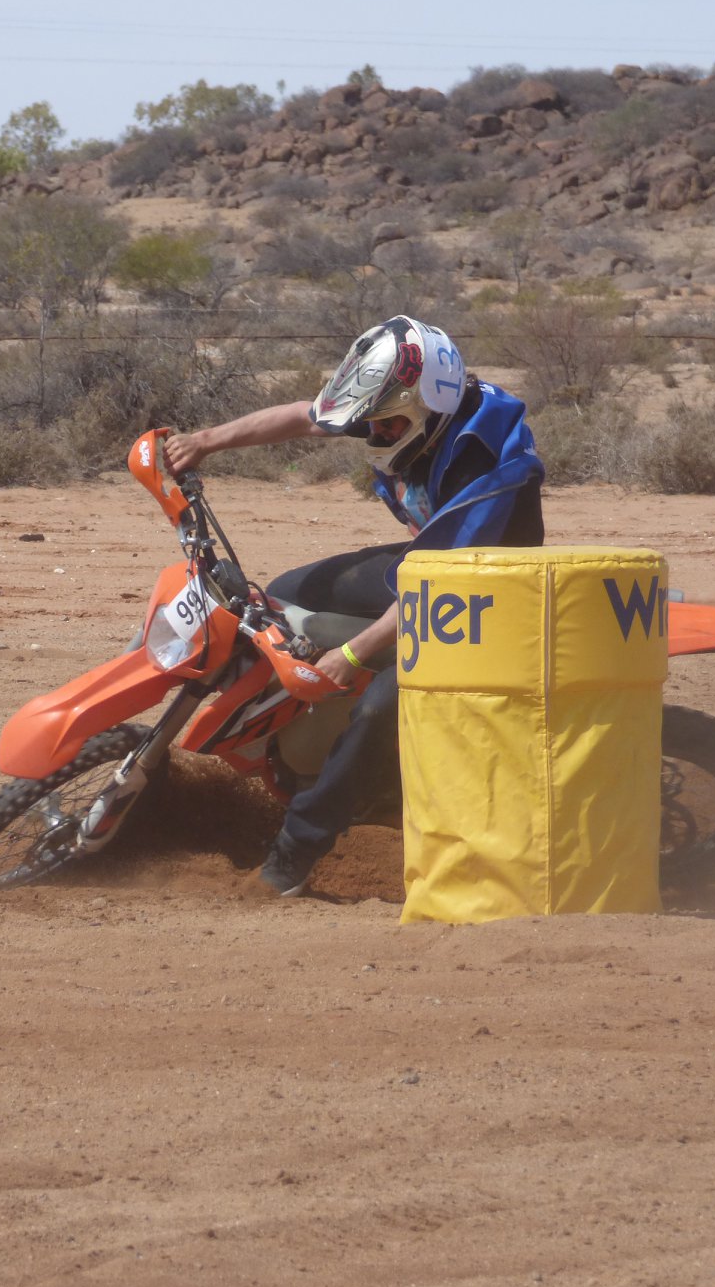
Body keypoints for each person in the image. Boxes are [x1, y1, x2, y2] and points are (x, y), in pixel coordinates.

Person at [163, 315, 545, 896]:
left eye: (385, 425)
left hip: (486, 597)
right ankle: (293, 748)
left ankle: (296, 850)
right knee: (288, 592)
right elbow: (305, 416)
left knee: (379, 707)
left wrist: (353, 654)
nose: (375, 434)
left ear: (426, 412)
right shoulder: (410, 410)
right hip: (434, 562)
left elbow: (434, 590)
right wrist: (205, 441)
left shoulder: (482, 461)